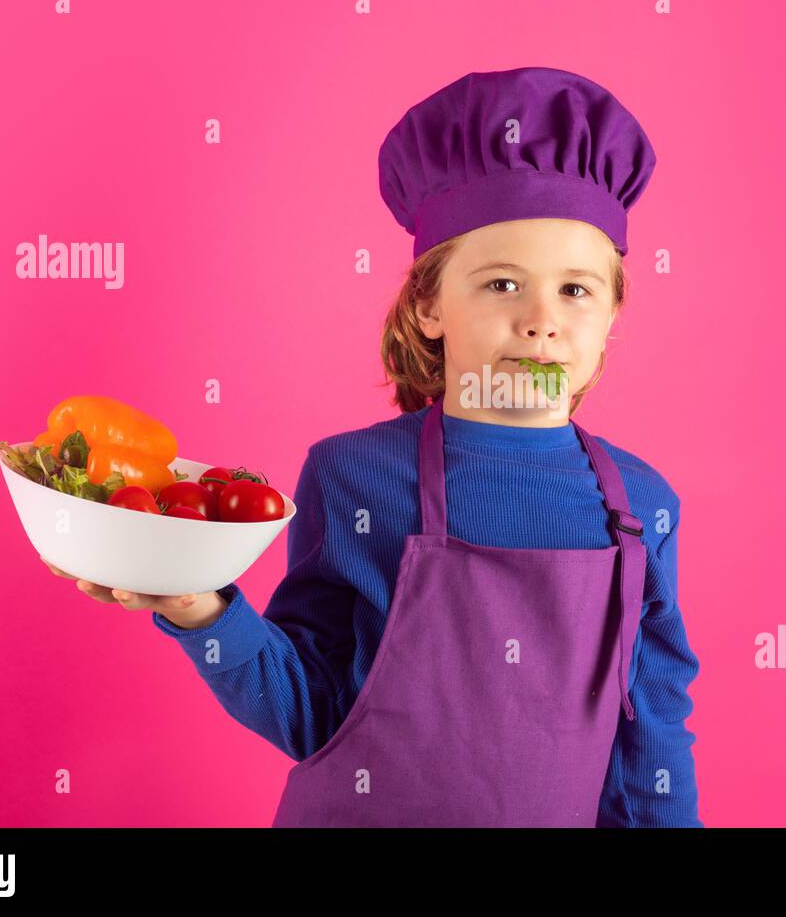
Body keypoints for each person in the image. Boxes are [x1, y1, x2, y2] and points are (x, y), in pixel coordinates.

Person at [47, 66, 701, 827]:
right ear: (428, 303)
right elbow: (310, 715)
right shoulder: (354, 476)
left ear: (613, 314)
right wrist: (204, 614)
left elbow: (651, 744)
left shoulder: (641, 508)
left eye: (575, 290)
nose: (540, 320)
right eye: (500, 285)